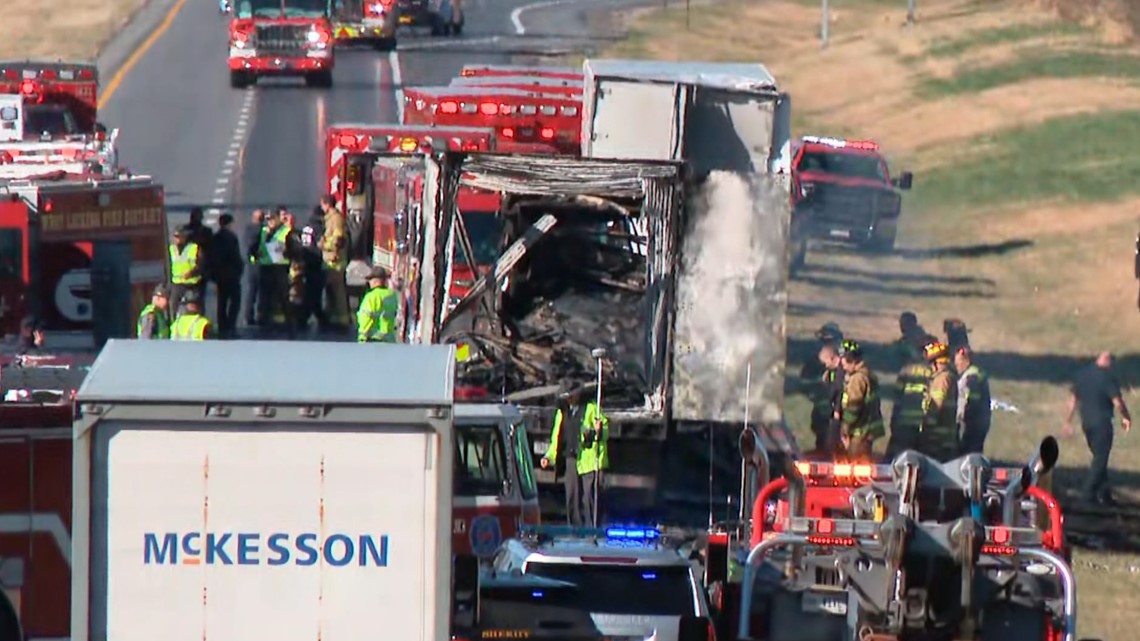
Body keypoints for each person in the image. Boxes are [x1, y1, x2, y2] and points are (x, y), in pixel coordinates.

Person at [1063, 351, 1131, 505]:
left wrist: (1067, 422)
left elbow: (1072, 401)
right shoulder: (1107, 378)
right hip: (1102, 423)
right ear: (1108, 362)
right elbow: (1118, 402)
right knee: (1101, 459)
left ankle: (1104, 493)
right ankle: (1087, 494)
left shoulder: (1082, 375)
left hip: (1087, 424)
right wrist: (1126, 417)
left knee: (1099, 457)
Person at [539, 387, 606, 526]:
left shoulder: (591, 408)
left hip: (588, 460)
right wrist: (549, 456)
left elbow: (604, 430)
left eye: (571, 396)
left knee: (588, 498)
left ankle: (590, 529)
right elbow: (556, 438)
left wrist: (599, 430)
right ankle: (574, 530)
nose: (569, 399)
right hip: (570, 458)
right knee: (572, 496)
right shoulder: (562, 412)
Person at [836, 339, 885, 459]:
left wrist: (844, 428)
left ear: (851, 359)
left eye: (844, 363)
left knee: (855, 465)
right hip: (866, 431)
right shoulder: (867, 374)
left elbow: (854, 406)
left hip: (860, 432)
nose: (843, 366)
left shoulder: (857, 379)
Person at [800, 321, 844, 455]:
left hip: (839, 417)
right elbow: (805, 383)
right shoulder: (814, 364)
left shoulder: (842, 363)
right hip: (822, 416)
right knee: (823, 449)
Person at [886, 336, 931, 460]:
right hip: (923, 423)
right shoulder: (933, 371)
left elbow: (898, 398)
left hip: (904, 423)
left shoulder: (906, 370)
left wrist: (894, 420)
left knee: (897, 458)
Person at [918, 340, 959, 461]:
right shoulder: (945, 377)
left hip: (938, 438)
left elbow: (936, 406)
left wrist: (926, 429)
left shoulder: (942, 379)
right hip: (941, 436)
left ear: (935, 363)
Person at [210, 213, 245, 339]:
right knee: (235, 302)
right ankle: (231, 326)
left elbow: (212, 258)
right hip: (231, 275)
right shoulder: (231, 238)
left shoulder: (215, 238)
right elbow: (235, 256)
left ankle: (222, 327)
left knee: (222, 302)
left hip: (220, 276)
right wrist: (240, 269)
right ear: (229, 224)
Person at [319, 195, 350, 333]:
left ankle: (342, 321)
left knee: (338, 292)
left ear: (326, 204)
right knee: (331, 291)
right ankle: (332, 318)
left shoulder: (336, 219)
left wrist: (323, 244)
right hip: (329, 260)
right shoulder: (330, 218)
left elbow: (338, 239)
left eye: (322, 205)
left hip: (335, 261)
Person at [256, 211, 290, 330]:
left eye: (272, 219)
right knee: (265, 295)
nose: (270, 222)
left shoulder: (285, 231)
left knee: (283, 295)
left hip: (280, 266)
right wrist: (255, 256)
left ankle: (288, 322)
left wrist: (285, 251)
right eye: (268, 220)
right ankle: (264, 320)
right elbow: (256, 247)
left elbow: (292, 248)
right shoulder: (263, 231)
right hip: (266, 266)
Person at [954, 346, 992, 455]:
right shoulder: (975, 372)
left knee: (969, 453)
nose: (956, 365)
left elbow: (971, 401)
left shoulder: (971, 377)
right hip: (979, 422)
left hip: (973, 423)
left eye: (958, 362)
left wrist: (962, 420)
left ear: (965, 360)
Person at [299, 207, 328, 328]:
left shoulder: (306, 226)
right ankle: (311, 316)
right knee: (315, 292)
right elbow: (321, 243)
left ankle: (311, 315)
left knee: (309, 290)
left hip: (306, 260)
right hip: (315, 262)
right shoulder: (318, 227)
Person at [356, 266, 399, 342]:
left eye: (370, 279)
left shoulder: (370, 296)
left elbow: (365, 319)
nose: (369, 282)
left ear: (375, 281)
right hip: (388, 340)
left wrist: (362, 338)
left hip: (373, 340)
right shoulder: (393, 295)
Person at [168, 226, 203, 317]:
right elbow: (167, 267)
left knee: (194, 307)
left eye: (179, 236)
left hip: (192, 284)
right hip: (177, 284)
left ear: (185, 237)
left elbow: (201, 265)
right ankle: (175, 327)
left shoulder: (194, 248)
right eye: (175, 236)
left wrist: (190, 273)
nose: (177, 239)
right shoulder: (171, 249)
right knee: (173, 307)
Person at [242, 209, 265, 326]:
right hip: (260, 264)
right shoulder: (261, 230)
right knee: (262, 292)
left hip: (252, 265)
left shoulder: (248, 229)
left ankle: (248, 315)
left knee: (252, 291)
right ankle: (260, 315)